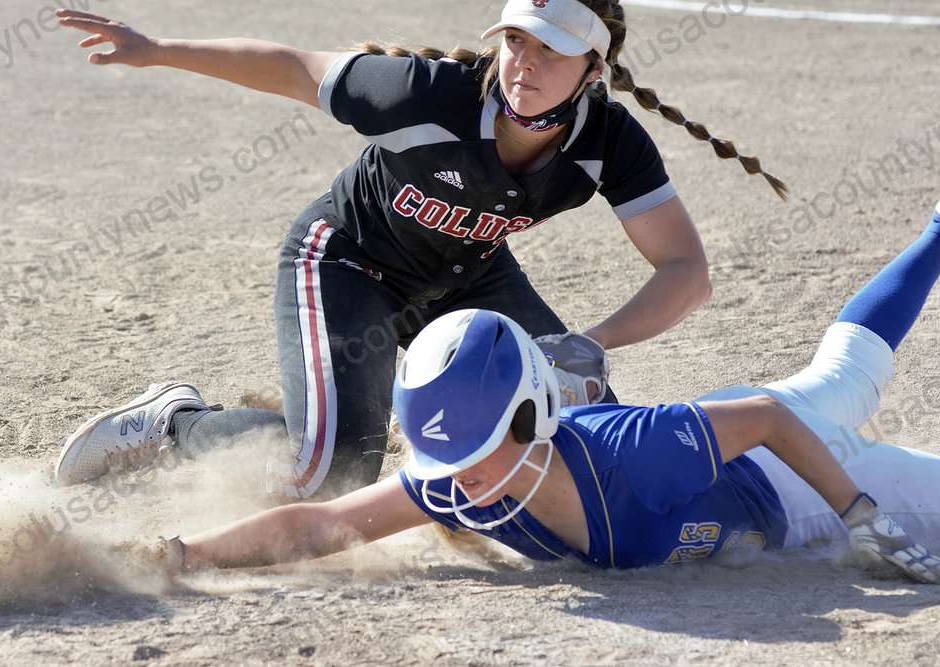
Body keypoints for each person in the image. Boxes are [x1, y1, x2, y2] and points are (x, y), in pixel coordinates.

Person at [52, 1, 785, 503]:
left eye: (552, 49)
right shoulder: (427, 95)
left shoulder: (608, 140)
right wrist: (158, 51)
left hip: (468, 275)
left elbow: (687, 273)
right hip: (345, 263)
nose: (524, 63)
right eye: (517, 39)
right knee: (332, 477)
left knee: (583, 429)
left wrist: (584, 343)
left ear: (594, 68)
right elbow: (293, 66)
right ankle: (174, 422)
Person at [153, 199, 940, 583]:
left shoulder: (629, 452)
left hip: (787, 480)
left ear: (532, 419)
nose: (460, 474)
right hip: (741, 439)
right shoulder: (464, 476)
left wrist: (859, 515)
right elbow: (324, 522)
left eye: (476, 450)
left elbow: (768, 419)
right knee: (840, 377)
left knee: (843, 387)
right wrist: (180, 554)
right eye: (447, 455)